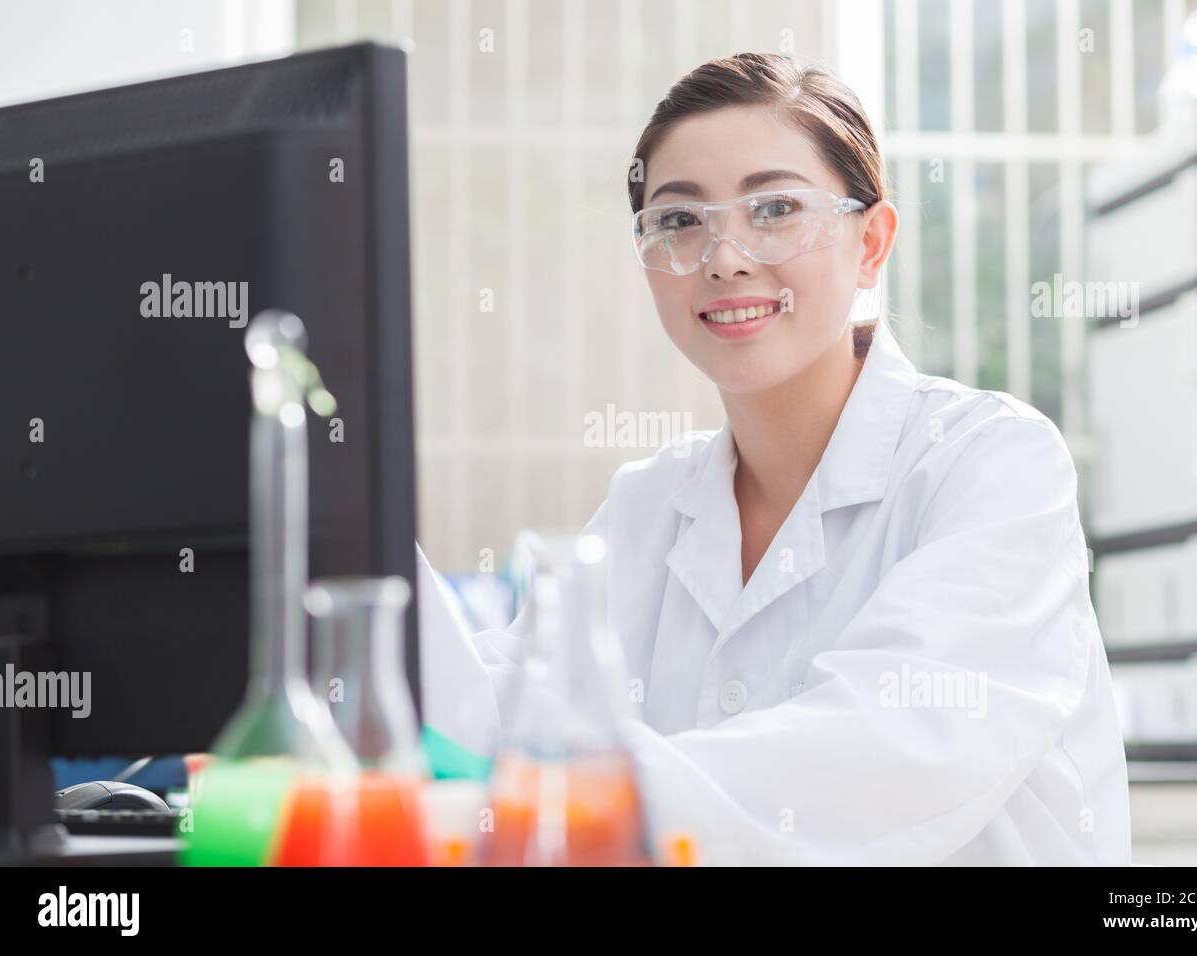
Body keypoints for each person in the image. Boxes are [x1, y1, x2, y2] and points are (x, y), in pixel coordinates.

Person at [417, 52, 1131, 865]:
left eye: (775, 207)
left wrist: (562, 800)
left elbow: (883, 757)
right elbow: (496, 721)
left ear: (872, 242)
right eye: (680, 220)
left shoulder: (994, 465)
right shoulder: (647, 505)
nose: (724, 256)